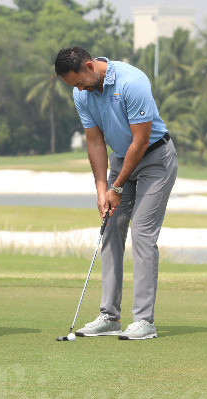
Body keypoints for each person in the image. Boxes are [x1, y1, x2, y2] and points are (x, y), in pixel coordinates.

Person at [55, 46, 178, 341]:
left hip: (154, 159)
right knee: (110, 228)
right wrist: (102, 189)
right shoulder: (81, 93)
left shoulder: (131, 82)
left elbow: (141, 140)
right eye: (73, 86)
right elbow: (95, 142)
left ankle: (144, 321)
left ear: (89, 66)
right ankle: (109, 316)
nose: (78, 89)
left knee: (143, 234)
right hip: (120, 162)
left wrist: (117, 187)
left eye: (78, 82)